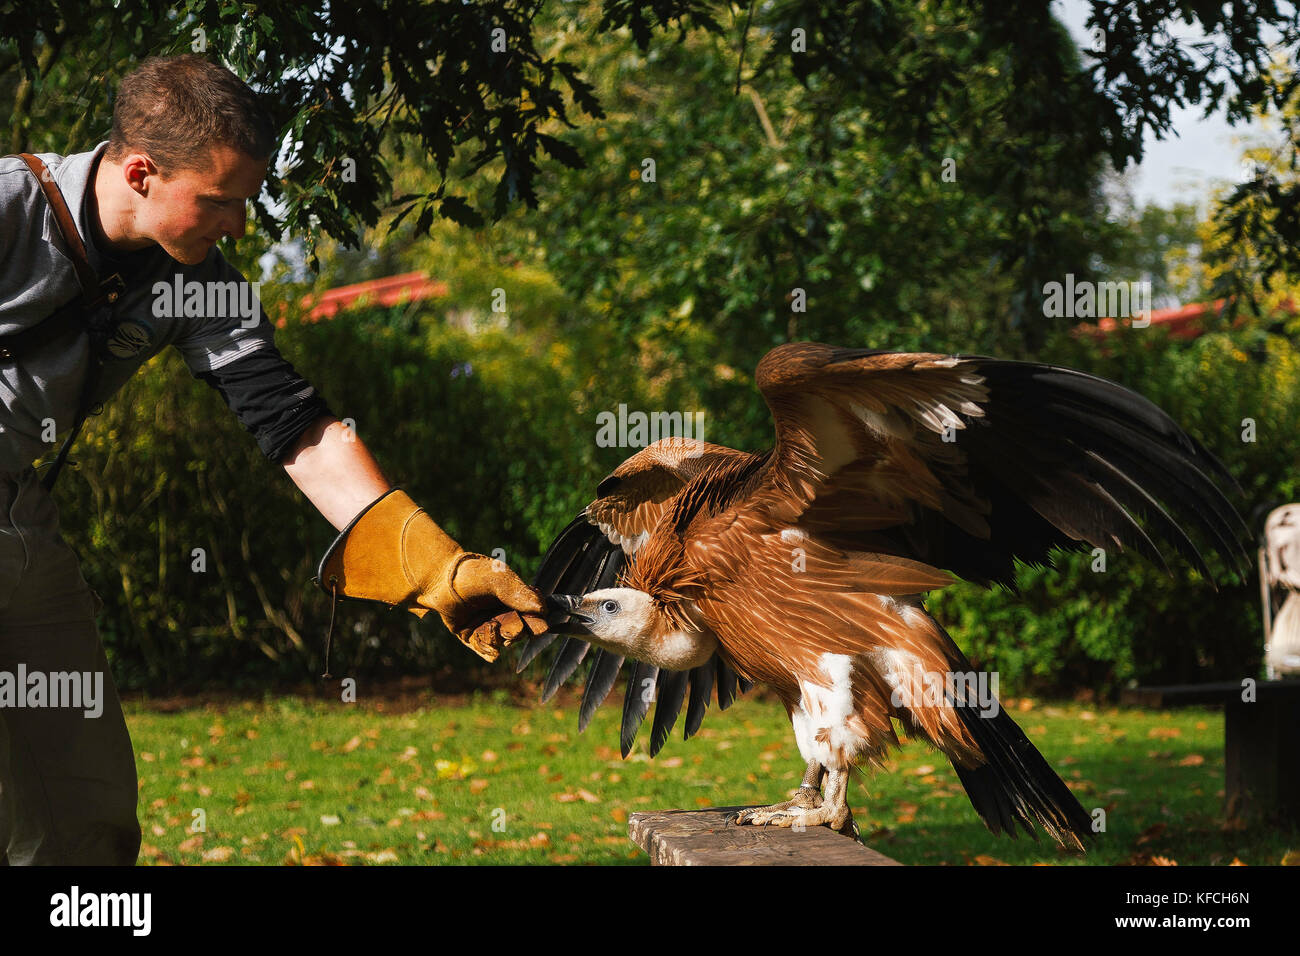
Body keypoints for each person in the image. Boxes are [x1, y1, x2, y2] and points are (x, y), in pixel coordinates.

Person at [0, 54, 547, 865]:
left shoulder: (199, 285)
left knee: (88, 814)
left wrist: (431, 564)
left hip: (23, 527)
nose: (236, 225)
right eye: (219, 201)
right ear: (143, 172)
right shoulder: (10, 207)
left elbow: (295, 424)